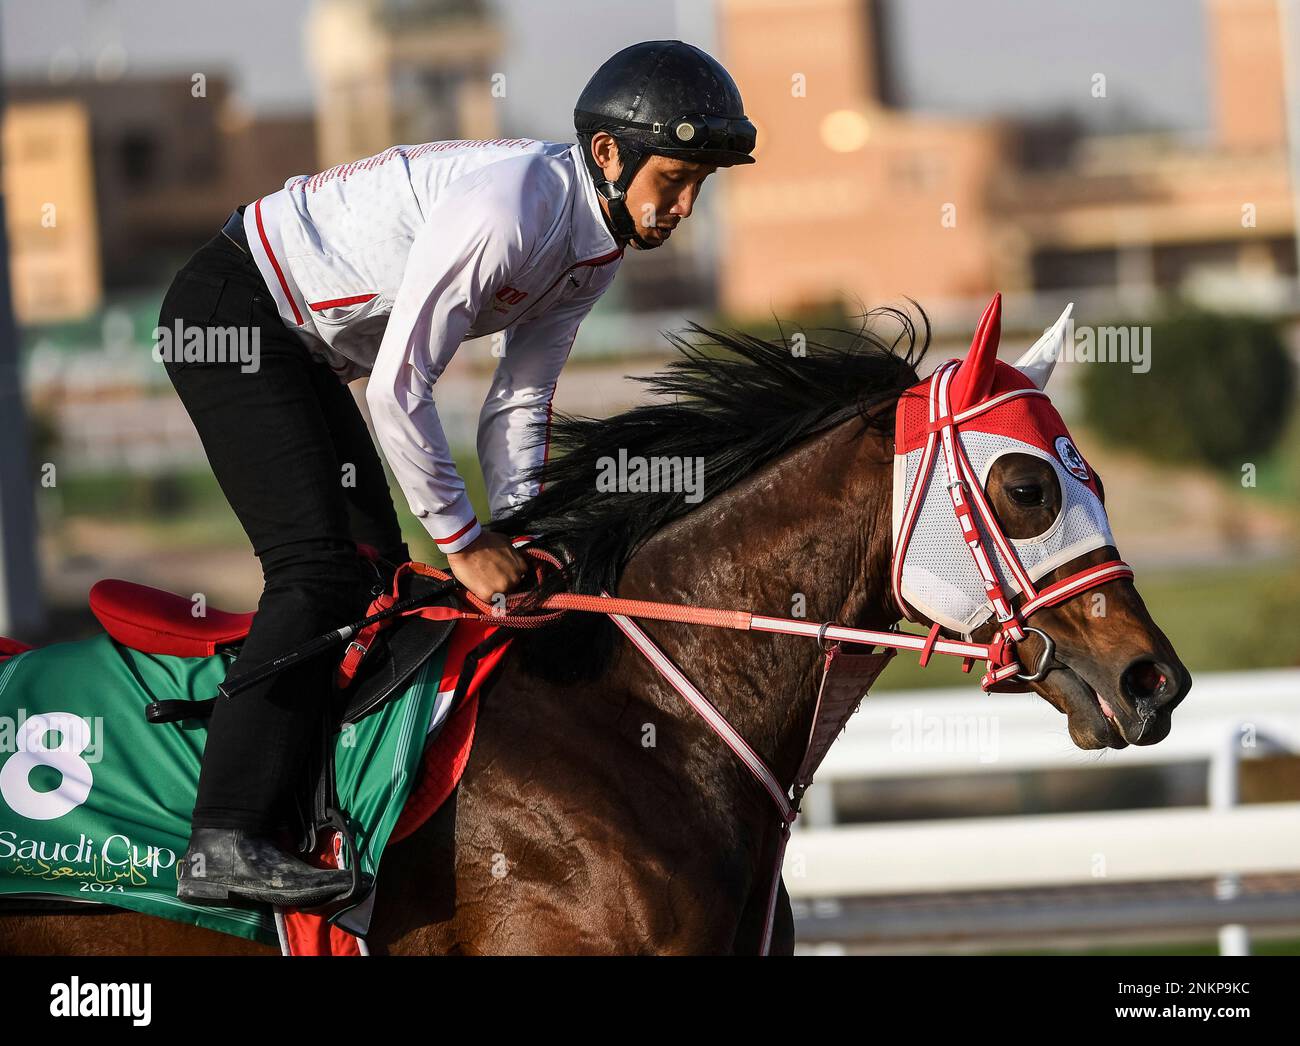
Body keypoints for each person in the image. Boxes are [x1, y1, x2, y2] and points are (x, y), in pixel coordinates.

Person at [162, 40, 757, 907]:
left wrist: (524, 534)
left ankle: (308, 807)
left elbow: (519, 402)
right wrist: (465, 542)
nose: (684, 207)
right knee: (318, 569)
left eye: (702, 184)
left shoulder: (596, 249)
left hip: (306, 349)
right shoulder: (514, 209)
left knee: (375, 578)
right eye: (675, 179)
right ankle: (223, 836)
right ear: (608, 153)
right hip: (236, 312)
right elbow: (401, 387)